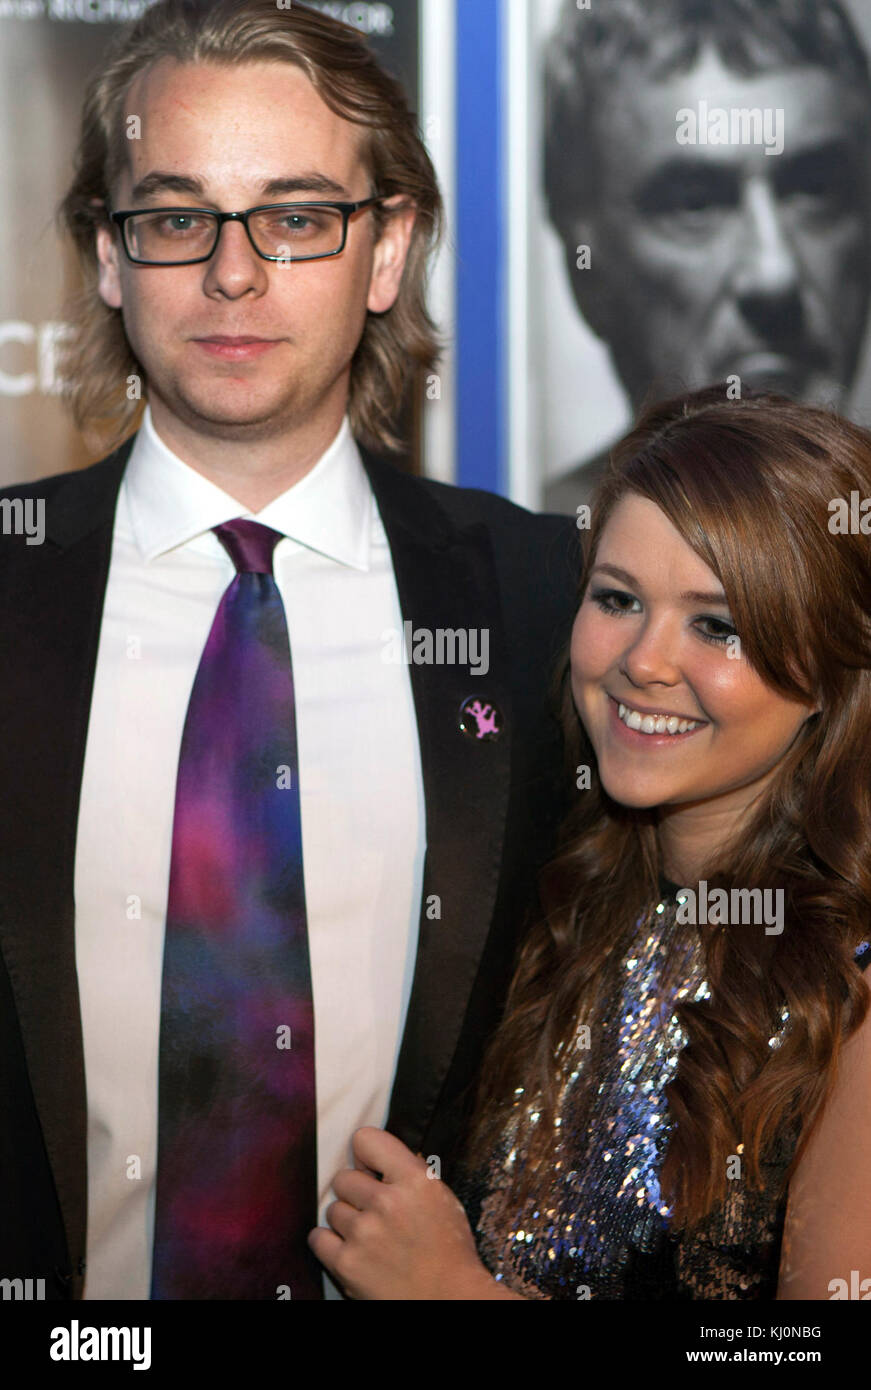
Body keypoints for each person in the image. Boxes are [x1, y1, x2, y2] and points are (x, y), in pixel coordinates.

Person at [0, 0, 578, 1300]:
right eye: (174, 217)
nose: (232, 273)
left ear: (387, 252)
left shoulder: (546, 597)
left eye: (297, 216)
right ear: (108, 255)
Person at [309, 384, 871, 1300]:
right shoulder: (573, 907)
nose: (641, 661)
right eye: (617, 599)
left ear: (826, 669)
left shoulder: (851, 988)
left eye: (715, 624)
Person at [541, 0, 871, 513]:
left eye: (814, 190)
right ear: (585, 271)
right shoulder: (516, 573)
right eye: (695, 203)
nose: (774, 272)